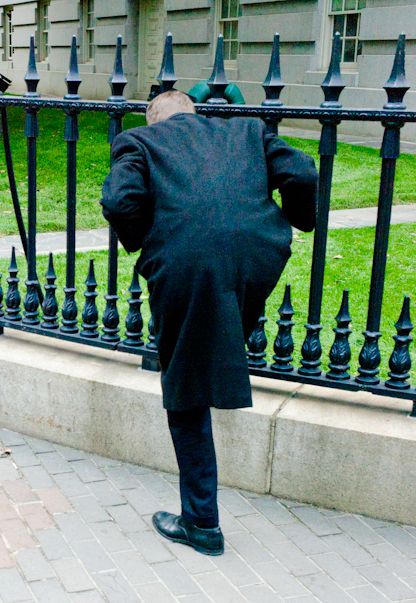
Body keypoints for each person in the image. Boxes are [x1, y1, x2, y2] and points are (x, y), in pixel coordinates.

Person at [100, 91, 318, 556]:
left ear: (153, 118)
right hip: (259, 256)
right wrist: (300, 220)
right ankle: (217, 367)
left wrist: (145, 241)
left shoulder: (138, 141)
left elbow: (120, 202)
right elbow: (301, 171)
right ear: (193, 113)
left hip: (187, 266)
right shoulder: (246, 130)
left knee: (184, 386)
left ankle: (201, 524)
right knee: (206, 346)